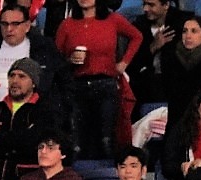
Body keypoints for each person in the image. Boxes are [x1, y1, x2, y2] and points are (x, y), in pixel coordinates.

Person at [54, 0, 141, 160]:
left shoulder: (113, 19)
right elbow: (56, 58)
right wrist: (70, 60)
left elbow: (137, 36)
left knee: (106, 140)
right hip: (77, 87)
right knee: (78, 143)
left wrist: (124, 63)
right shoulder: (67, 25)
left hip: (106, 85)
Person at [0, 1, 73, 119]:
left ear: (27, 26)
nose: (9, 29)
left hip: (34, 119)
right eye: (5, 24)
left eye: (15, 24)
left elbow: (63, 81)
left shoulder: (43, 48)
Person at [126, 0, 191, 109]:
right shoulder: (138, 26)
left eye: (151, 5)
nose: (145, 9)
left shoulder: (184, 24)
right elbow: (131, 65)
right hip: (147, 87)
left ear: (166, 5)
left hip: (177, 86)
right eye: (144, 4)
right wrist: (153, 47)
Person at [162, 17, 201, 121]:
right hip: (178, 120)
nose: (188, 36)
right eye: (185, 31)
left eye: (194, 31)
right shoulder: (173, 59)